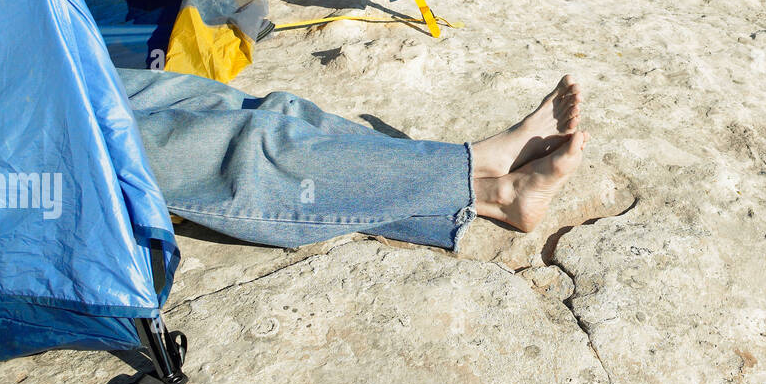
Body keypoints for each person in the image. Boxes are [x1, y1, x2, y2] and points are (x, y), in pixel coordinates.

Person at [119, 68, 586, 252]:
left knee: (269, 110)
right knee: (245, 147)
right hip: (53, 152)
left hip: (59, 83)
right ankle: (475, 170)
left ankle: (492, 194)